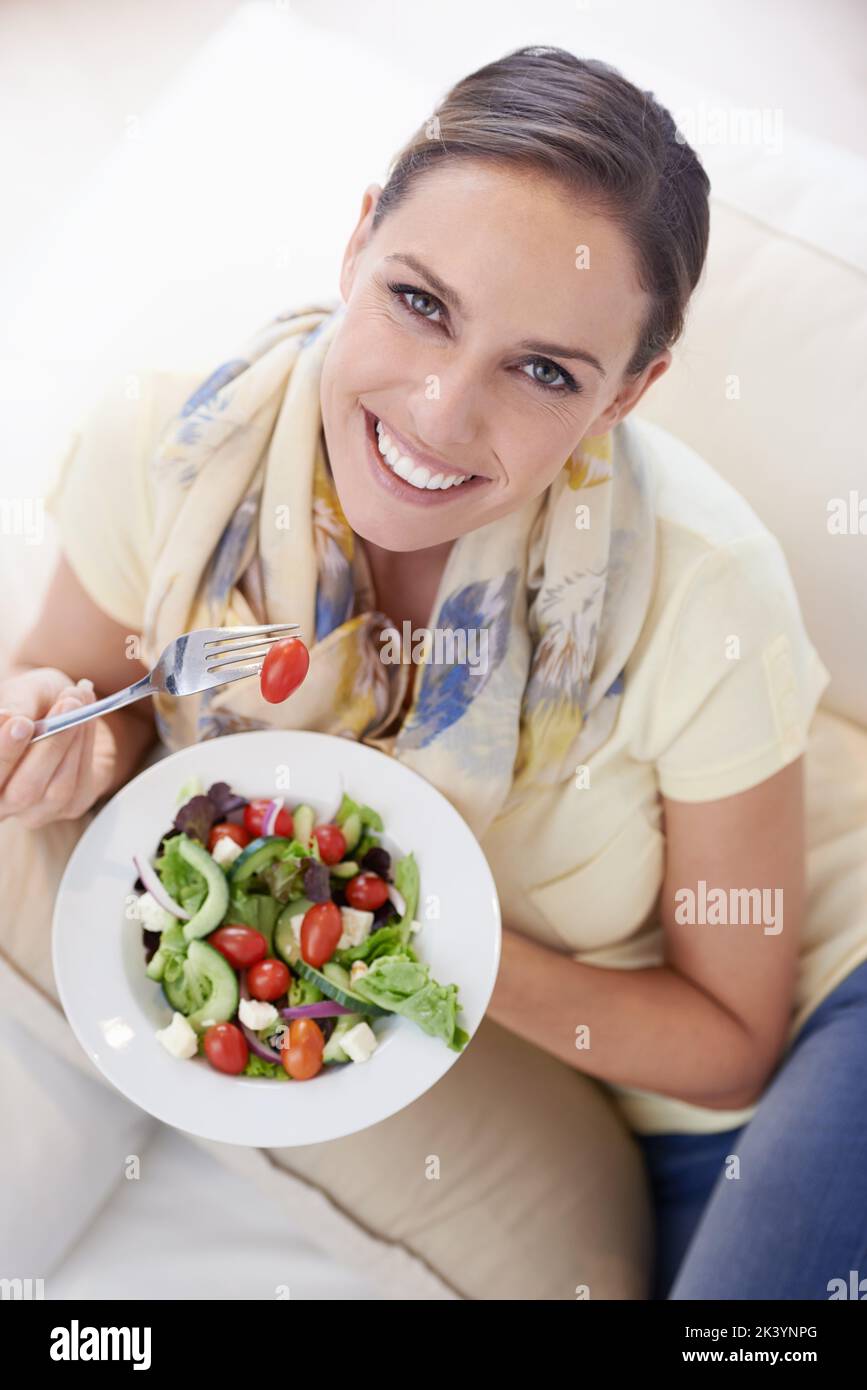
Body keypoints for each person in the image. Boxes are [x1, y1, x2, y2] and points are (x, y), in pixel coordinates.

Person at [1, 45, 865, 1301]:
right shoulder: (169, 454)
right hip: (559, 1067)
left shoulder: (704, 590)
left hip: (789, 1049)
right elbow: (83, 697)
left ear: (630, 392)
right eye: (420, 302)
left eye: (545, 370)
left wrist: (417, 932)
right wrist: (60, 734)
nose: (441, 413)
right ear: (357, 244)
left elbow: (732, 1046)